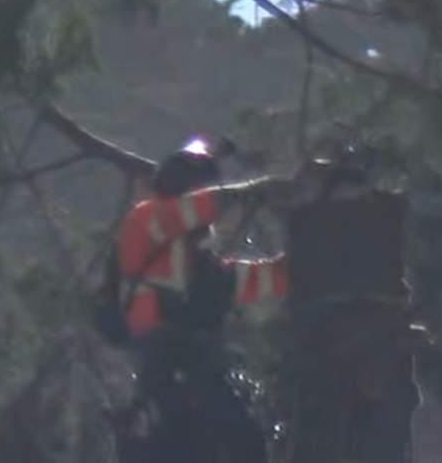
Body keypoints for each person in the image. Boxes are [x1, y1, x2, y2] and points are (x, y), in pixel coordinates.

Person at [113, 136, 307, 463]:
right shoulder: (145, 223)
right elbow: (197, 208)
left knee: (251, 443)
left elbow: (271, 277)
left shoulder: (208, 273)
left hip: (206, 385)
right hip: (165, 387)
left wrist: (318, 236)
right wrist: (265, 187)